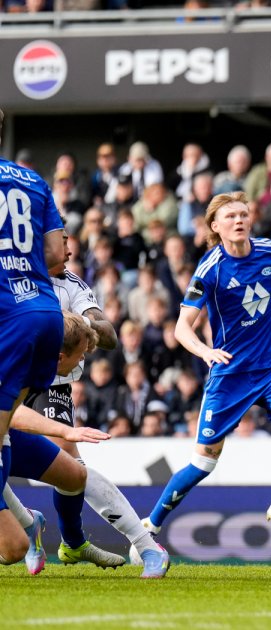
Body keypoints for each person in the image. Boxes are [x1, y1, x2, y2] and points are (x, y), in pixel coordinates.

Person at [141, 192, 271, 542]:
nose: (239, 220)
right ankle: (151, 525)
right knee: (203, 464)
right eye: (231, 216)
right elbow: (180, 327)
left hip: (268, 369)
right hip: (229, 375)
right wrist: (205, 351)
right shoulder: (210, 268)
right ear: (215, 227)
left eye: (243, 214)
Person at [18, 233, 167, 574]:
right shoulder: (14, 280)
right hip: (13, 381)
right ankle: (39, 529)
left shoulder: (72, 285)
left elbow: (110, 336)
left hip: (51, 384)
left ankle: (134, 545)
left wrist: (77, 323)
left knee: (68, 462)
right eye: (63, 242)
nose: (71, 249)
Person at [0, 107, 68, 568]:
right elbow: (56, 253)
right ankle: (25, 523)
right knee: (2, 433)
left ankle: (24, 527)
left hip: (7, 317)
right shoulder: (31, 179)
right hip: (45, 313)